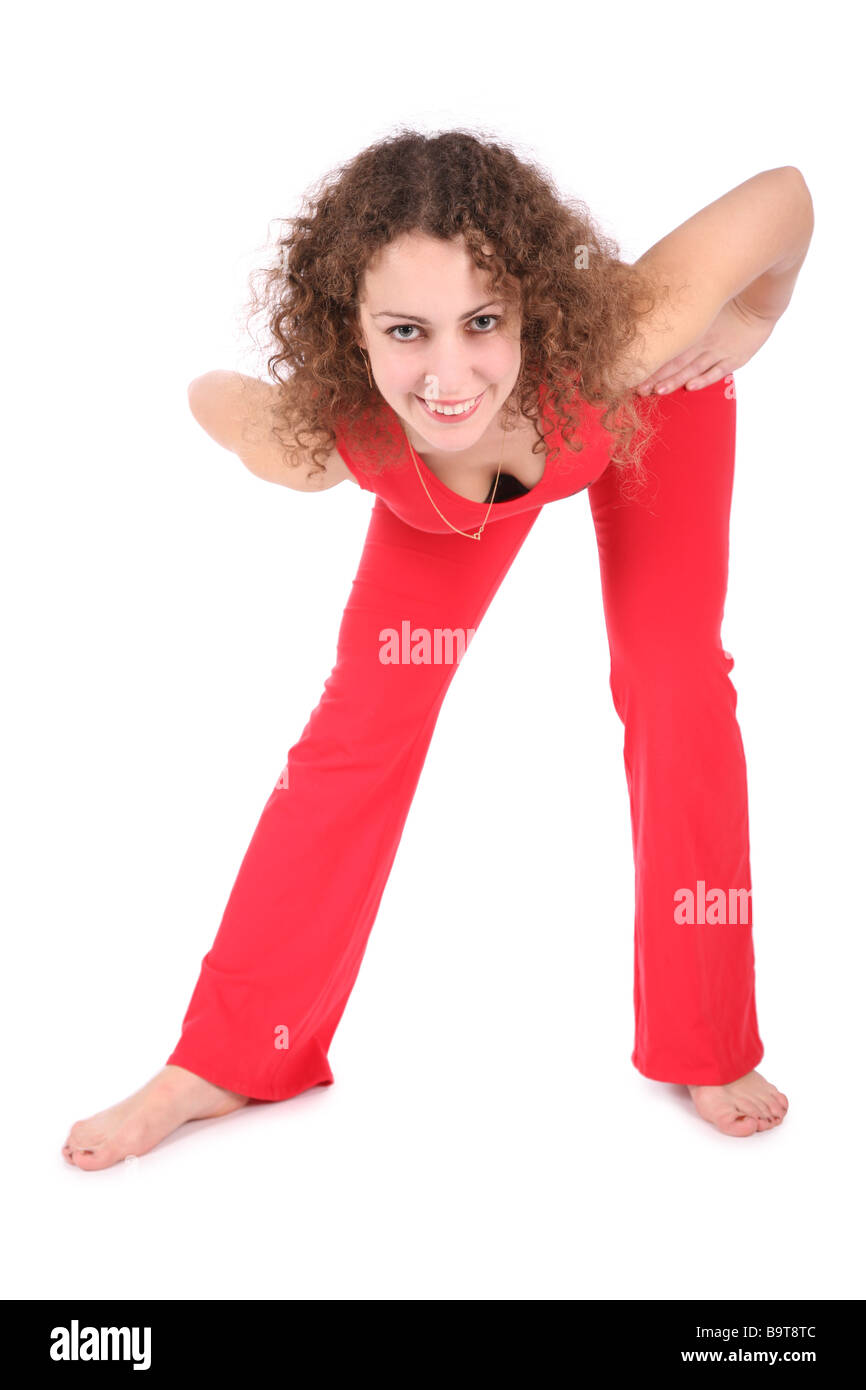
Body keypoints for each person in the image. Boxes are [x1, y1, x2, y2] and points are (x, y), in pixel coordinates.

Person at [62, 130, 813, 1170]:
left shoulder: (625, 335)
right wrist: (222, 391)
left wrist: (752, 316)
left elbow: (783, 193)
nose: (451, 372)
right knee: (358, 730)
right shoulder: (323, 442)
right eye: (406, 330)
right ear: (351, 334)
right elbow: (214, 402)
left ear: (529, 309)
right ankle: (229, 1056)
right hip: (451, 497)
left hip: (634, 413)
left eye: (484, 321)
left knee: (674, 678)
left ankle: (706, 1037)